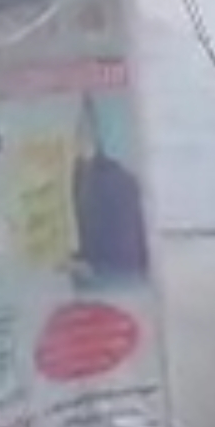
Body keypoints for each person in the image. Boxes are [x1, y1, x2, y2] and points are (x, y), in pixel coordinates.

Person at [70, 93, 147, 285]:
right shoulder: (75, 176)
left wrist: (91, 266)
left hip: (114, 281)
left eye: (81, 128)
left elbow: (130, 255)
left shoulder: (117, 181)